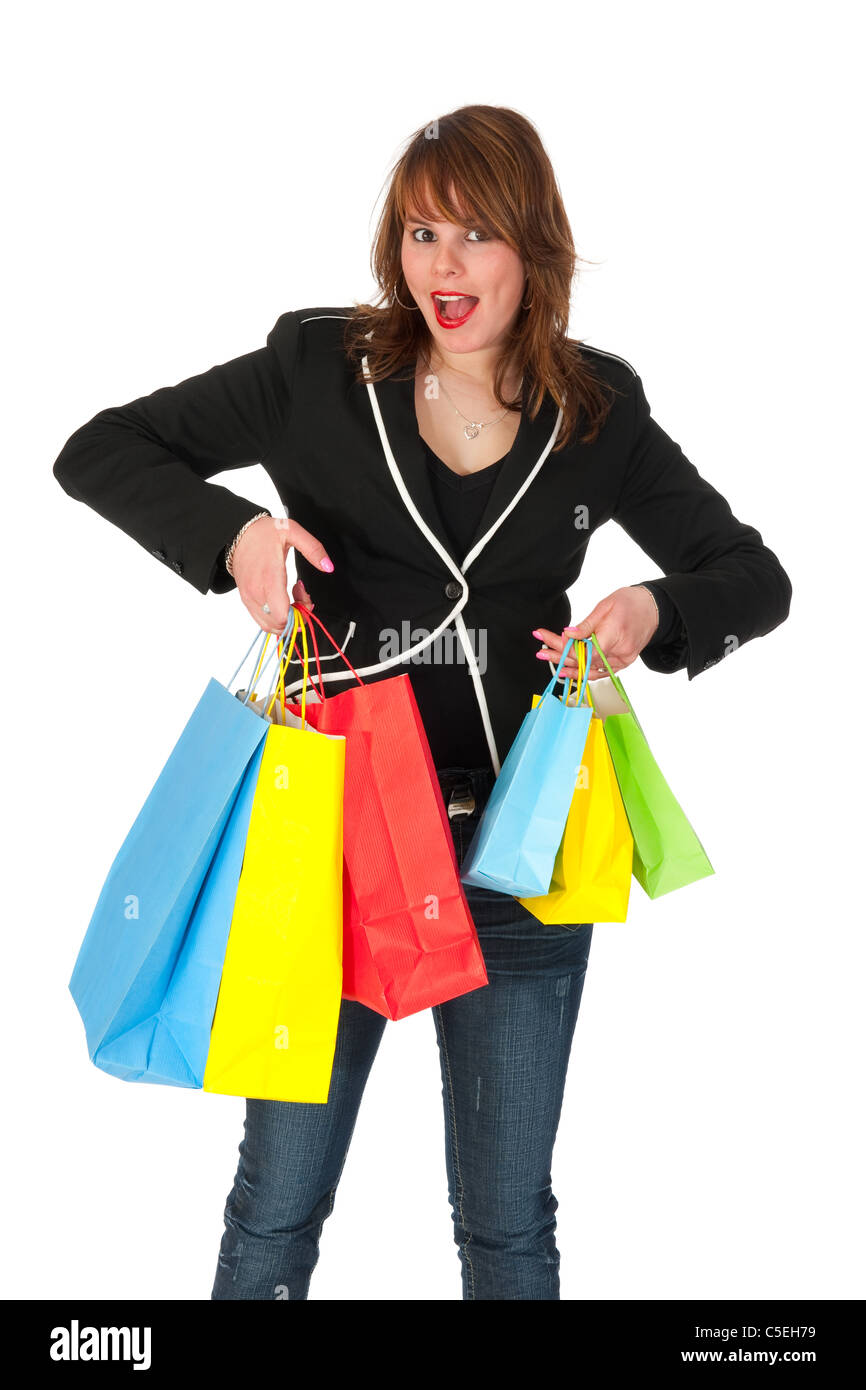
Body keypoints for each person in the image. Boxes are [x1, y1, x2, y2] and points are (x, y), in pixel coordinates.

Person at [52, 104, 792, 1301]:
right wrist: (234, 532)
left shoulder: (593, 408)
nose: (441, 268)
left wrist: (649, 612)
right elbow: (101, 447)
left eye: (474, 236)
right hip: (334, 848)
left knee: (506, 1225)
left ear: (533, 248)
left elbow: (753, 576)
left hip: (520, 855)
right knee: (276, 1204)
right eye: (418, 234)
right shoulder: (313, 371)